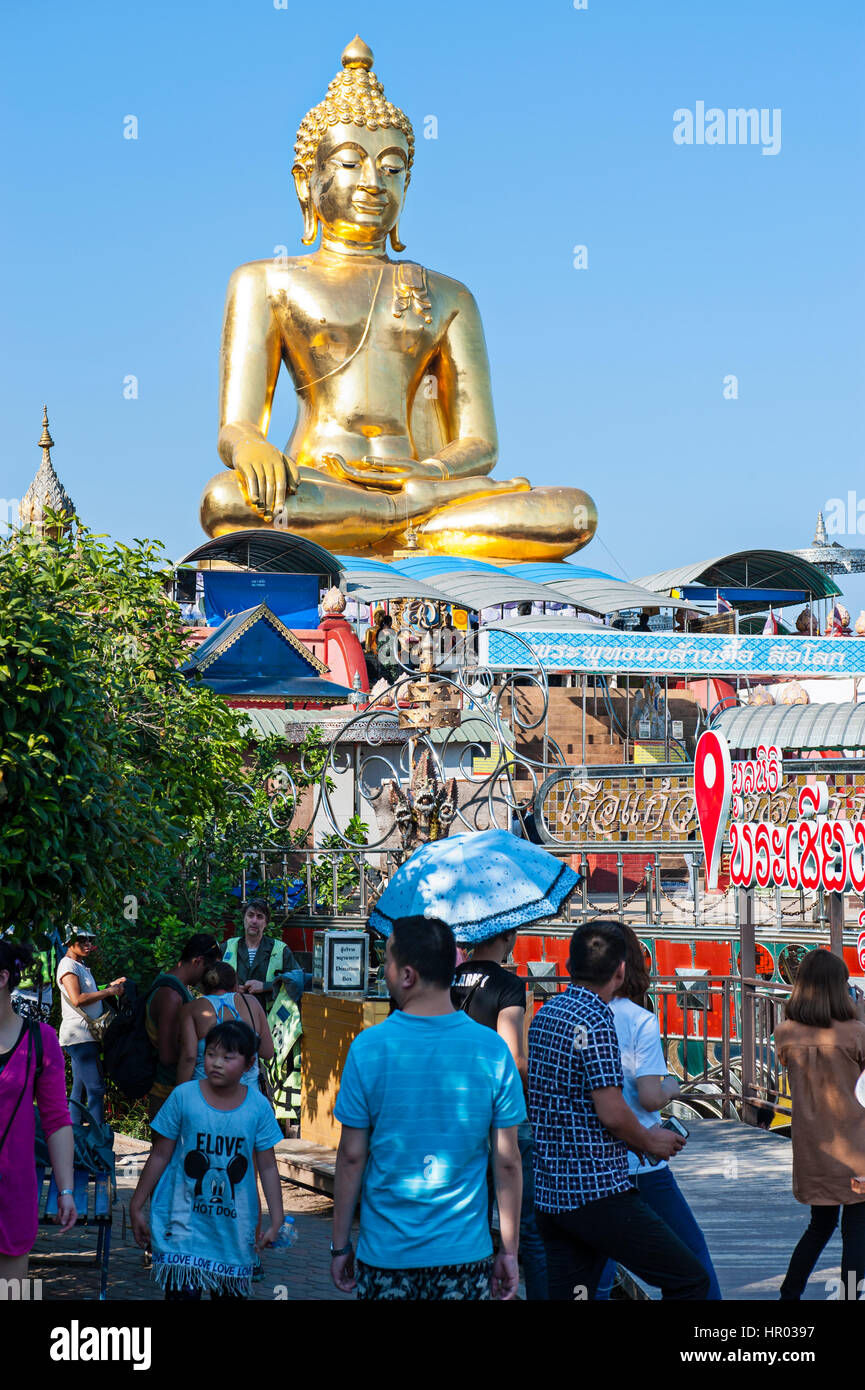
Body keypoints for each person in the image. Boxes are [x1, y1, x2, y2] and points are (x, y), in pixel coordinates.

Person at [331, 916, 524, 1301]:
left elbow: (352, 1158)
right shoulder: (492, 1050)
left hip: (386, 1255)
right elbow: (507, 1162)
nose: (382, 970)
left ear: (406, 975)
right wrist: (509, 1250)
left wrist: (340, 1246)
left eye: (385, 960)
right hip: (464, 1255)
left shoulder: (368, 1048)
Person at [528, 922, 711, 1300]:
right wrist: (650, 1140)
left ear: (569, 964)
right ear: (621, 971)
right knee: (690, 1280)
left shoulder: (545, 1015)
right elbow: (611, 1111)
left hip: (551, 1193)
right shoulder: (597, 1019)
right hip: (597, 1192)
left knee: (575, 1293)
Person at [595, 924, 722, 1300]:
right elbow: (650, 1097)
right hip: (640, 1161)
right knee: (690, 1257)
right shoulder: (637, 1018)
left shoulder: (564, 1012)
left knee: (597, 1269)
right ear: (627, 966)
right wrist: (672, 1085)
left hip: (590, 1165)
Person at [130, 1021, 284, 1299]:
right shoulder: (183, 1097)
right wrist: (137, 1204)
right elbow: (160, 1153)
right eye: (211, 1054)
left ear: (250, 1063)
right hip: (182, 1225)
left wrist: (277, 1217)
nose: (216, 1063)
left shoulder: (258, 1107)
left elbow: (268, 1166)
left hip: (233, 1229)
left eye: (228, 1057)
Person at [451, 927, 548, 1299]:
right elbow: (513, 1056)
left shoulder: (448, 978)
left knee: (471, 1217)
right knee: (529, 1228)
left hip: (459, 1110)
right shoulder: (508, 983)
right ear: (507, 937)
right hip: (502, 1111)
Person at [775, 948, 865, 1300]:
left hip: (814, 1147)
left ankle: (790, 1292)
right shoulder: (857, 1033)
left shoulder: (786, 1033)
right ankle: (849, 1295)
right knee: (857, 1230)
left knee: (820, 1226)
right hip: (856, 1145)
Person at [0, 941, 77, 1289]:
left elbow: (57, 1120)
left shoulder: (40, 1040)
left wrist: (66, 1191)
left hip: (13, 1191)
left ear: (2, 978)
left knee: (12, 1294)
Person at [222, 901, 303, 1127]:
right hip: (232, 1024)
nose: (254, 921)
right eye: (250, 916)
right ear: (243, 919)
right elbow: (209, 980)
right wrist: (231, 988)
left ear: (266, 922)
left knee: (271, 1078)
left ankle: (274, 1129)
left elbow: (298, 981)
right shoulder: (228, 947)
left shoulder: (280, 949)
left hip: (271, 1025)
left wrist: (266, 986)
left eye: (259, 917)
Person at [56, 928, 126, 1127]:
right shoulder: (67, 965)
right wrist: (109, 992)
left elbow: (89, 993)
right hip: (79, 1036)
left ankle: (75, 1139)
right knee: (96, 1089)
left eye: (90, 939)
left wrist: (109, 987)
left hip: (86, 1036)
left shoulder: (80, 965)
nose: (88, 944)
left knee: (79, 1091)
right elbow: (77, 999)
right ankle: (98, 1142)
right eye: (82, 940)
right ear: (69, 942)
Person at [145, 933, 220, 1119]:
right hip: (167, 1092)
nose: (210, 977)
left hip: (177, 1090)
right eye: (209, 969)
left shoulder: (178, 988)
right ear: (197, 961)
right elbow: (168, 1055)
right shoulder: (171, 994)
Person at [176, 960, 274, 1088]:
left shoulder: (192, 1009)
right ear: (235, 985)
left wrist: (178, 1095)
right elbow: (267, 1052)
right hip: (247, 1095)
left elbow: (189, 1058)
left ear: (204, 986)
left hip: (205, 1094)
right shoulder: (251, 1003)